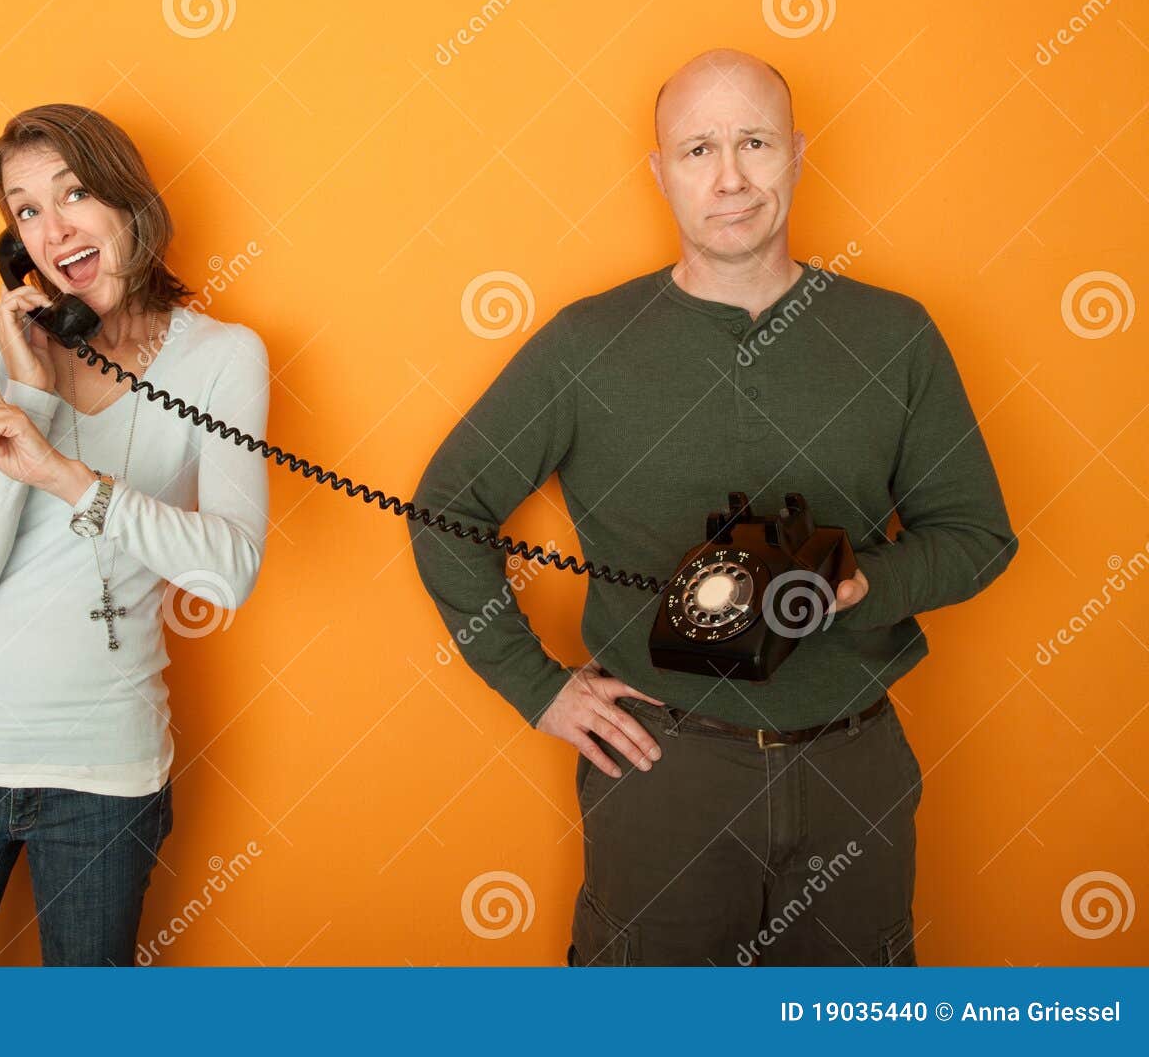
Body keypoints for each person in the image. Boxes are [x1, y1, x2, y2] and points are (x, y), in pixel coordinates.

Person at [407, 48, 1018, 966]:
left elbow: (977, 538)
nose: (729, 177)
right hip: (663, 772)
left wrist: (858, 582)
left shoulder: (897, 335)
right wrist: (536, 687)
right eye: (697, 150)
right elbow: (446, 507)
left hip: (852, 766)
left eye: (754, 142)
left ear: (799, 154)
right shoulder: (587, 343)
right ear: (660, 173)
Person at [0, 104, 271, 966]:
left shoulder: (225, 357)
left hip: (105, 771)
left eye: (74, 192)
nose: (54, 228)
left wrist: (60, 471)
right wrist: (29, 396)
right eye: (27, 210)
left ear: (130, 206)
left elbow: (229, 570)